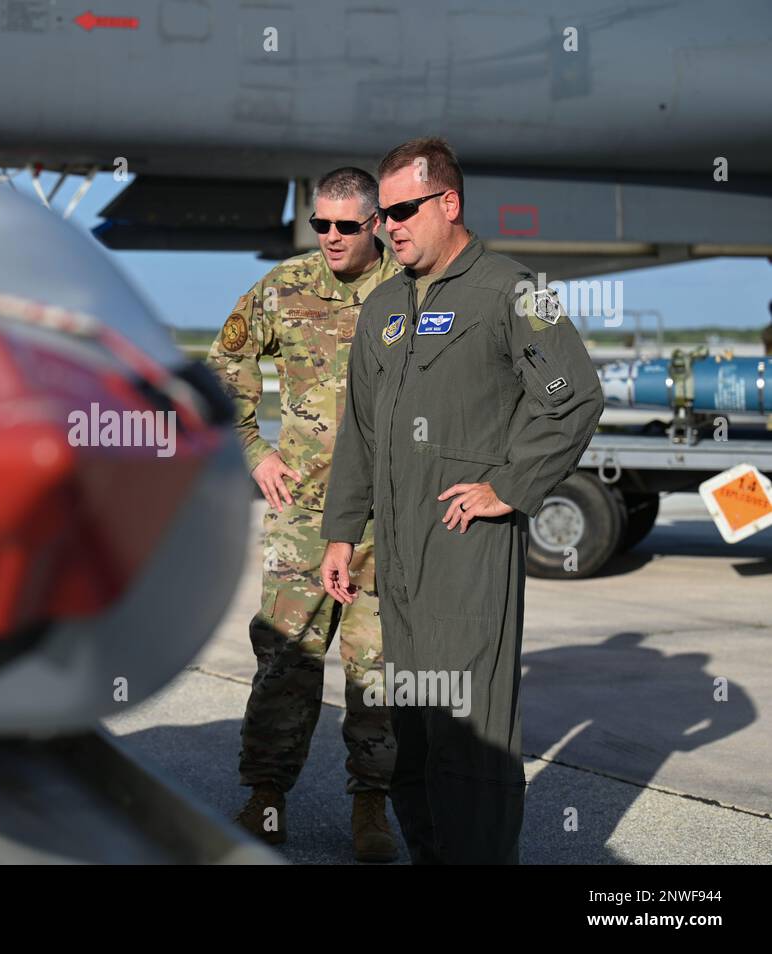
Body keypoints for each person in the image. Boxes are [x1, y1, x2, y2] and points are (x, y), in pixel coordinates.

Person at [319, 138, 603, 864]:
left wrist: (510, 486)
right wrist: (342, 532)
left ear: (449, 203)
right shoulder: (384, 305)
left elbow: (571, 396)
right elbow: (359, 430)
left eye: (403, 211)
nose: (388, 226)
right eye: (381, 215)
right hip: (399, 558)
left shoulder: (513, 291)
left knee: (470, 733)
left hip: (465, 548)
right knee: (414, 734)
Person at [207, 167, 400, 860]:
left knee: (377, 670)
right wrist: (253, 449)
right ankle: (265, 798)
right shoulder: (284, 286)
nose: (332, 237)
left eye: (347, 225)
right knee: (285, 663)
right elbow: (224, 366)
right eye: (321, 224)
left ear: (376, 223)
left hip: (387, 519)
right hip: (303, 516)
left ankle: (372, 805)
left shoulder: (409, 288)